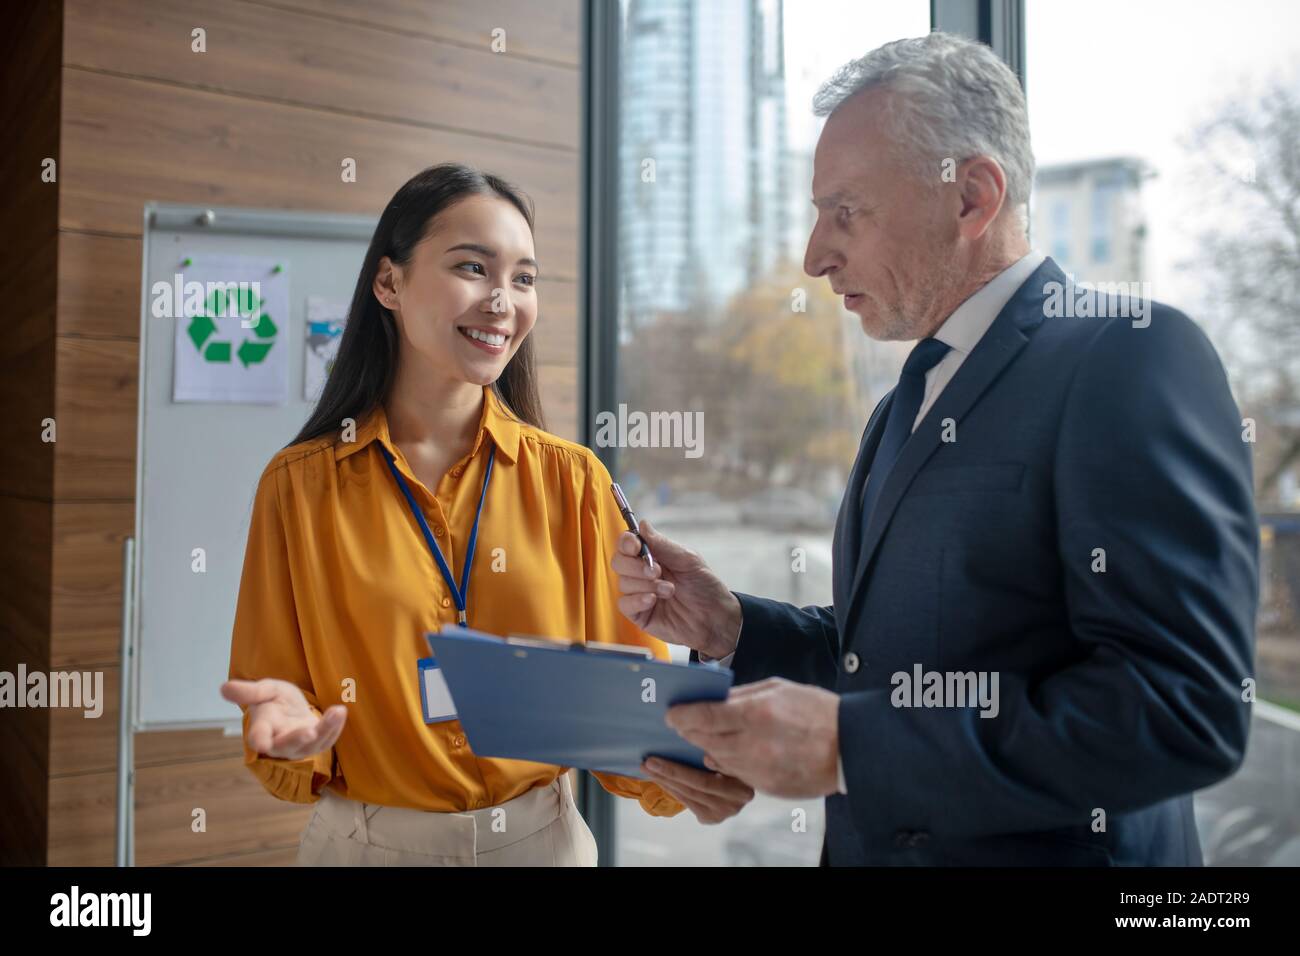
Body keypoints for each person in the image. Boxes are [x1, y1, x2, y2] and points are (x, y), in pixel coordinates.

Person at [617, 33, 1259, 866]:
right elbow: (889, 656)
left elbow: (1185, 709)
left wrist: (855, 749)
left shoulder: (1131, 355)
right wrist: (736, 628)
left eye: (846, 212)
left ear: (972, 197)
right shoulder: (904, 405)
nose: (816, 255)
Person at [222, 163, 753, 866]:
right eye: (473, 267)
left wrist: (698, 768)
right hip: (367, 848)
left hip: (541, 846)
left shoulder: (574, 481)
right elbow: (277, 688)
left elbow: (629, 710)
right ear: (389, 283)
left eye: (524, 278)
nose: (503, 300)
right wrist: (283, 724)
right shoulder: (298, 488)